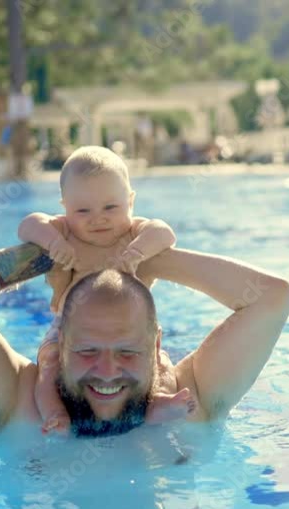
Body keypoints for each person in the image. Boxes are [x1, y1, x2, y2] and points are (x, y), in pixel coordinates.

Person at [0, 242, 289, 509]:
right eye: (88, 351)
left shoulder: (190, 393)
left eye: (127, 352)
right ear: (60, 344)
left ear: (155, 344)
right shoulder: (18, 398)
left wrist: (145, 254)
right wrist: (50, 253)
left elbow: (272, 298)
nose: (107, 372)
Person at [17, 146, 179, 435]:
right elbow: (28, 225)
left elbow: (165, 233)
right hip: (68, 328)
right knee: (49, 368)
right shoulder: (65, 233)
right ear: (65, 207)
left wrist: (137, 253)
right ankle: (55, 413)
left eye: (110, 207)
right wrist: (53, 242)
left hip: (130, 328)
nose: (98, 218)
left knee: (161, 362)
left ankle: (158, 402)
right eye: (82, 210)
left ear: (130, 202)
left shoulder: (132, 234)